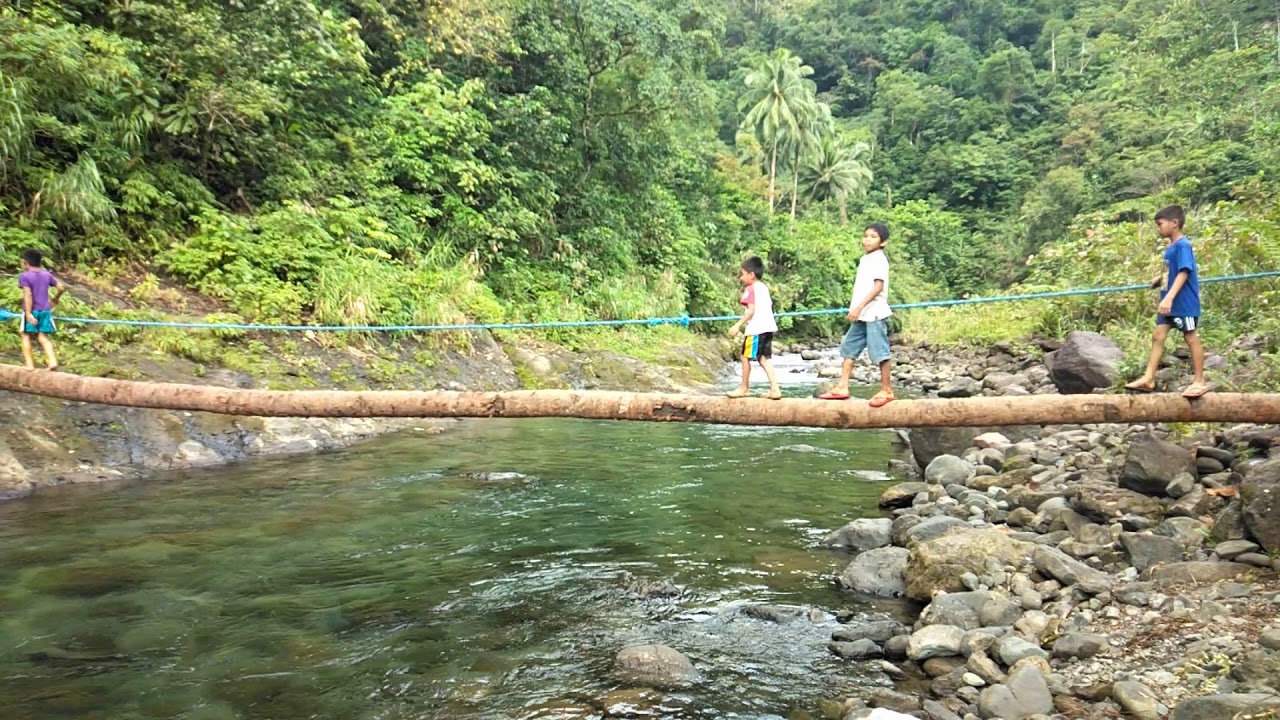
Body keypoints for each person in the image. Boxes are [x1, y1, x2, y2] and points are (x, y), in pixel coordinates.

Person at [1124, 205, 1210, 397]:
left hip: (1182, 302)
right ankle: (1148, 378)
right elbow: (1173, 270)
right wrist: (1160, 279)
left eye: (1160, 224)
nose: (1158, 228)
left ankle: (1199, 381)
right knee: (1158, 335)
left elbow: (1185, 271)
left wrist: (1170, 297)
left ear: (1174, 223)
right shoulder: (1171, 247)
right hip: (1169, 302)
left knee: (1190, 336)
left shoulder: (1183, 245)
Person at [819, 223, 894, 407]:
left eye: (873, 236)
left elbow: (878, 287)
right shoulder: (865, 259)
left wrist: (858, 307)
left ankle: (887, 389)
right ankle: (842, 386)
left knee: (879, 351)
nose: (868, 239)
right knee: (849, 347)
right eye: (866, 235)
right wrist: (857, 308)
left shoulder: (879, 259)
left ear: (883, 242)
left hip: (874, 312)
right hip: (862, 314)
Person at [727, 256, 782, 400]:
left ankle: (744, 388)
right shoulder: (763, 287)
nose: (740, 277)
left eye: (742, 274)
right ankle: (775, 389)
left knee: (744, 357)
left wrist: (737, 326)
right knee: (764, 358)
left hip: (756, 329)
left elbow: (751, 310)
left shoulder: (750, 289)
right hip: (768, 327)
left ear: (751, 275)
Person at [18, 249, 63, 371]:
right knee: (43, 337)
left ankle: (29, 364)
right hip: (45, 310)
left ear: (25, 263)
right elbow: (61, 288)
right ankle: (52, 361)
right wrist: (55, 299)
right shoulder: (47, 274)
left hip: (32, 310)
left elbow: (28, 294)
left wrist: (28, 313)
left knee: (25, 334)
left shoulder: (24, 276)